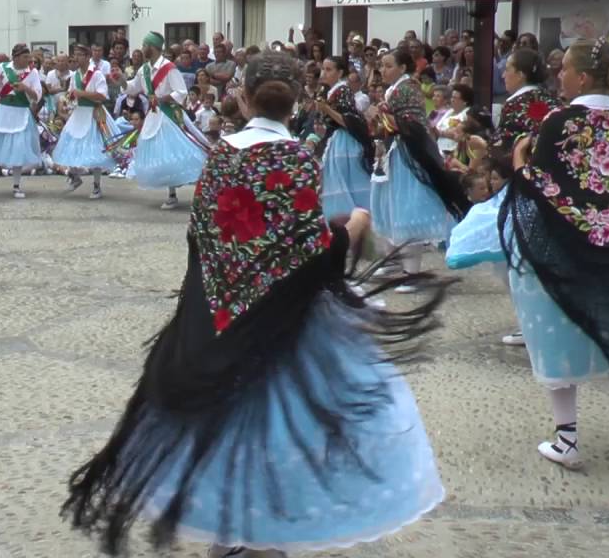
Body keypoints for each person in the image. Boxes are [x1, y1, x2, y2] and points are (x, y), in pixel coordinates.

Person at [63, 77, 446, 558]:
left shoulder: (222, 155)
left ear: (244, 100)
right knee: (286, 424)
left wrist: (211, 296)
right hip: (288, 315)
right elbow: (309, 250)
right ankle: (266, 531)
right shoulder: (298, 157)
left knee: (226, 419)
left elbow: (206, 236)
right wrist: (354, 228)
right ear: (294, 106)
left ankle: (231, 532)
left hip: (224, 310)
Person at [495, 39, 609, 469]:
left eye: (564, 69)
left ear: (581, 78)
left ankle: (568, 440)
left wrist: (520, 161)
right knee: (605, 320)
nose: (558, 75)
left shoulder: (559, 121)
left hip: (564, 245)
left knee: (557, 331)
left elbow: (541, 187)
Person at [369, 48, 470, 292]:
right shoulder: (395, 89)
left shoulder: (408, 88)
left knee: (407, 210)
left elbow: (412, 125)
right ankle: (395, 260)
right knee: (391, 207)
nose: (383, 70)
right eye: (382, 65)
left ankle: (412, 273)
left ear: (403, 68)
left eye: (389, 65)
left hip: (408, 154)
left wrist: (382, 114)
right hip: (395, 152)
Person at [126, 31, 209, 210]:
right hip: (153, 115)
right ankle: (172, 194)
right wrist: (120, 82)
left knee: (176, 151)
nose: (142, 48)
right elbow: (133, 87)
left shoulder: (169, 68)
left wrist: (162, 99)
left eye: (144, 45)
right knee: (162, 154)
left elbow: (181, 92)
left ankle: (203, 188)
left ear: (152, 47)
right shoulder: (144, 70)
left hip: (169, 115)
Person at [0, 44, 44, 199]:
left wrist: (25, 88)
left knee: (19, 149)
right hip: (3, 111)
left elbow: (37, 96)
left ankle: (16, 185)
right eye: (25, 57)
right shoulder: (3, 67)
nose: (28, 60)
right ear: (16, 57)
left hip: (21, 112)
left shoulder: (32, 72)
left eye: (28, 57)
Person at [54, 44, 116, 200]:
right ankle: (75, 176)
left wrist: (82, 93)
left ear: (88, 57)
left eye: (80, 55)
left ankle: (96, 185)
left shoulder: (97, 74)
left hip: (93, 113)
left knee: (95, 150)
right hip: (78, 113)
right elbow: (72, 94)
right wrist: (68, 101)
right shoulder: (75, 75)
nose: (76, 58)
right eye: (75, 54)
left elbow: (102, 96)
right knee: (71, 144)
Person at [317, 55, 373, 218]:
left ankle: (349, 216)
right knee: (338, 180)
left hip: (345, 141)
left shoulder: (342, 90)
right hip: (336, 139)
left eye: (329, 70)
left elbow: (349, 121)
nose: (324, 73)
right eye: (323, 69)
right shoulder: (330, 91)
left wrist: (327, 110)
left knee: (345, 180)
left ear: (340, 72)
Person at [494, 48, 563, 153]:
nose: (503, 75)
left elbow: (503, 147)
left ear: (520, 75)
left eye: (507, 70)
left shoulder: (513, 106)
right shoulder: (554, 100)